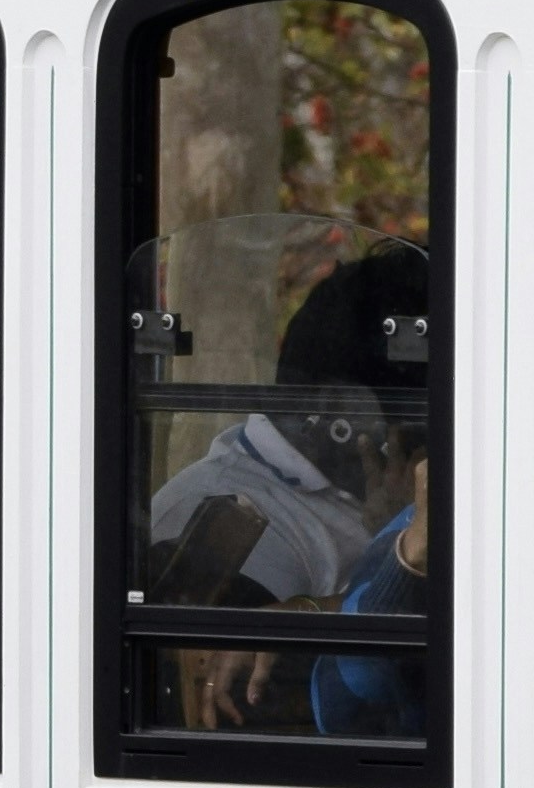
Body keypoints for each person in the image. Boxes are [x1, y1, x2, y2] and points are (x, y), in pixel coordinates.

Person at [145, 243, 432, 731]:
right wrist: (407, 539)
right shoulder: (238, 519)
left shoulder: (376, 498)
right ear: (341, 411)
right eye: (421, 412)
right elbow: (244, 699)